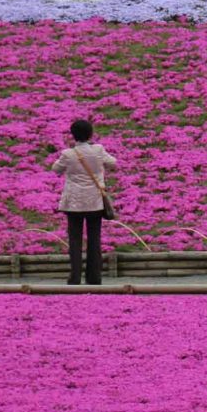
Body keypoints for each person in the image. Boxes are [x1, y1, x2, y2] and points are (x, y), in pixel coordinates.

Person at [50, 119, 116, 287]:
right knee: (95, 240)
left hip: (74, 203)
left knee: (74, 241)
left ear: (73, 135)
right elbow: (113, 163)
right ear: (90, 134)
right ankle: (94, 277)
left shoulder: (68, 154)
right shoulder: (98, 150)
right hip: (94, 202)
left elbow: (55, 169)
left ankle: (75, 278)